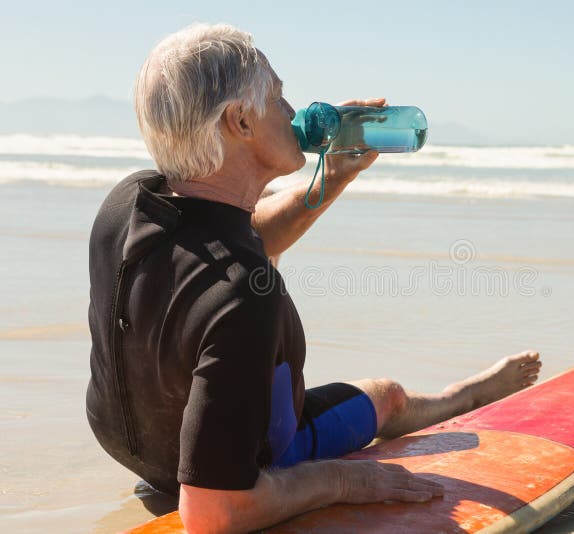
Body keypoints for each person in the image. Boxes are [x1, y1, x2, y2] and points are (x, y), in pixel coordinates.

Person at [86, 23, 541, 533]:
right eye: (278, 97)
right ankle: (467, 396)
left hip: (135, 444)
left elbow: (236, 238)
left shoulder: (126, 204)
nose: (292, 111)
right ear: (240, 121)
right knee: (385, 395)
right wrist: (347, 482)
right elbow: (212, 516)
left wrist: (334, 176)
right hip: (223, 472)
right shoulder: (242, 296)